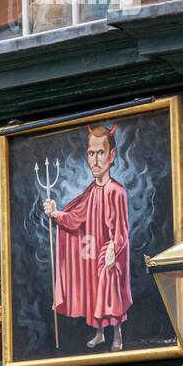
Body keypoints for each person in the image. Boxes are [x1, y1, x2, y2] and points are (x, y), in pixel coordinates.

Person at [43, 124, 132, 351]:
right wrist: (55, 213)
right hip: (91, 251)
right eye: (91, 153)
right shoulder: (91, 192)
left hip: (111, 250)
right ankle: (100, 333)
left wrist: (114, 247)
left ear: (111, 156)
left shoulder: (116, 191)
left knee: (110, 289)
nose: (95, 159)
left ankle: (117, 334)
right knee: (93, 290)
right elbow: (75, 219)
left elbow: (121, 228)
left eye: (100, 153)